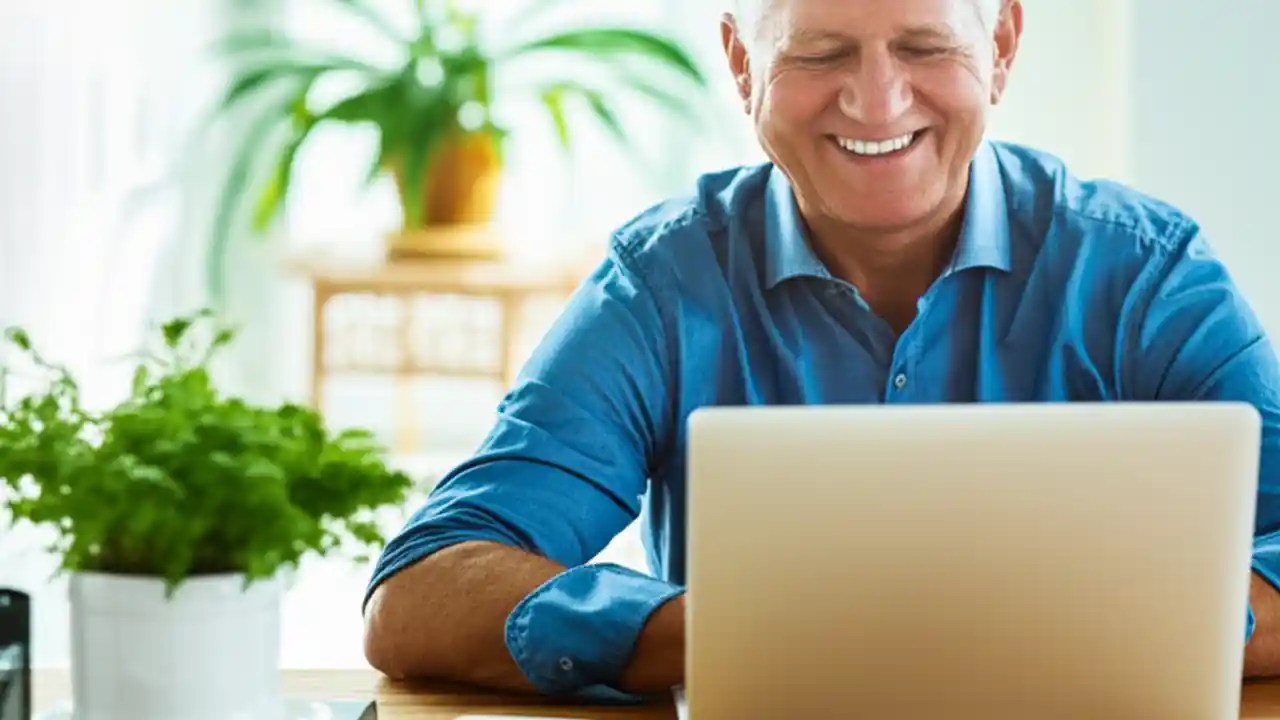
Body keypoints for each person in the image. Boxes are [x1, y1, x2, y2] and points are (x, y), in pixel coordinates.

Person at [362, 0, 1280, 698]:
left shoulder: (1145, 273)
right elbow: (422, 588)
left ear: (1000, 44)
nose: (876, 99)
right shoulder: (662, 282)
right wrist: (721, 633)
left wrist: (1137, 628)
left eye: (925, 47)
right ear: (741, 62)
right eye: (819, 53)